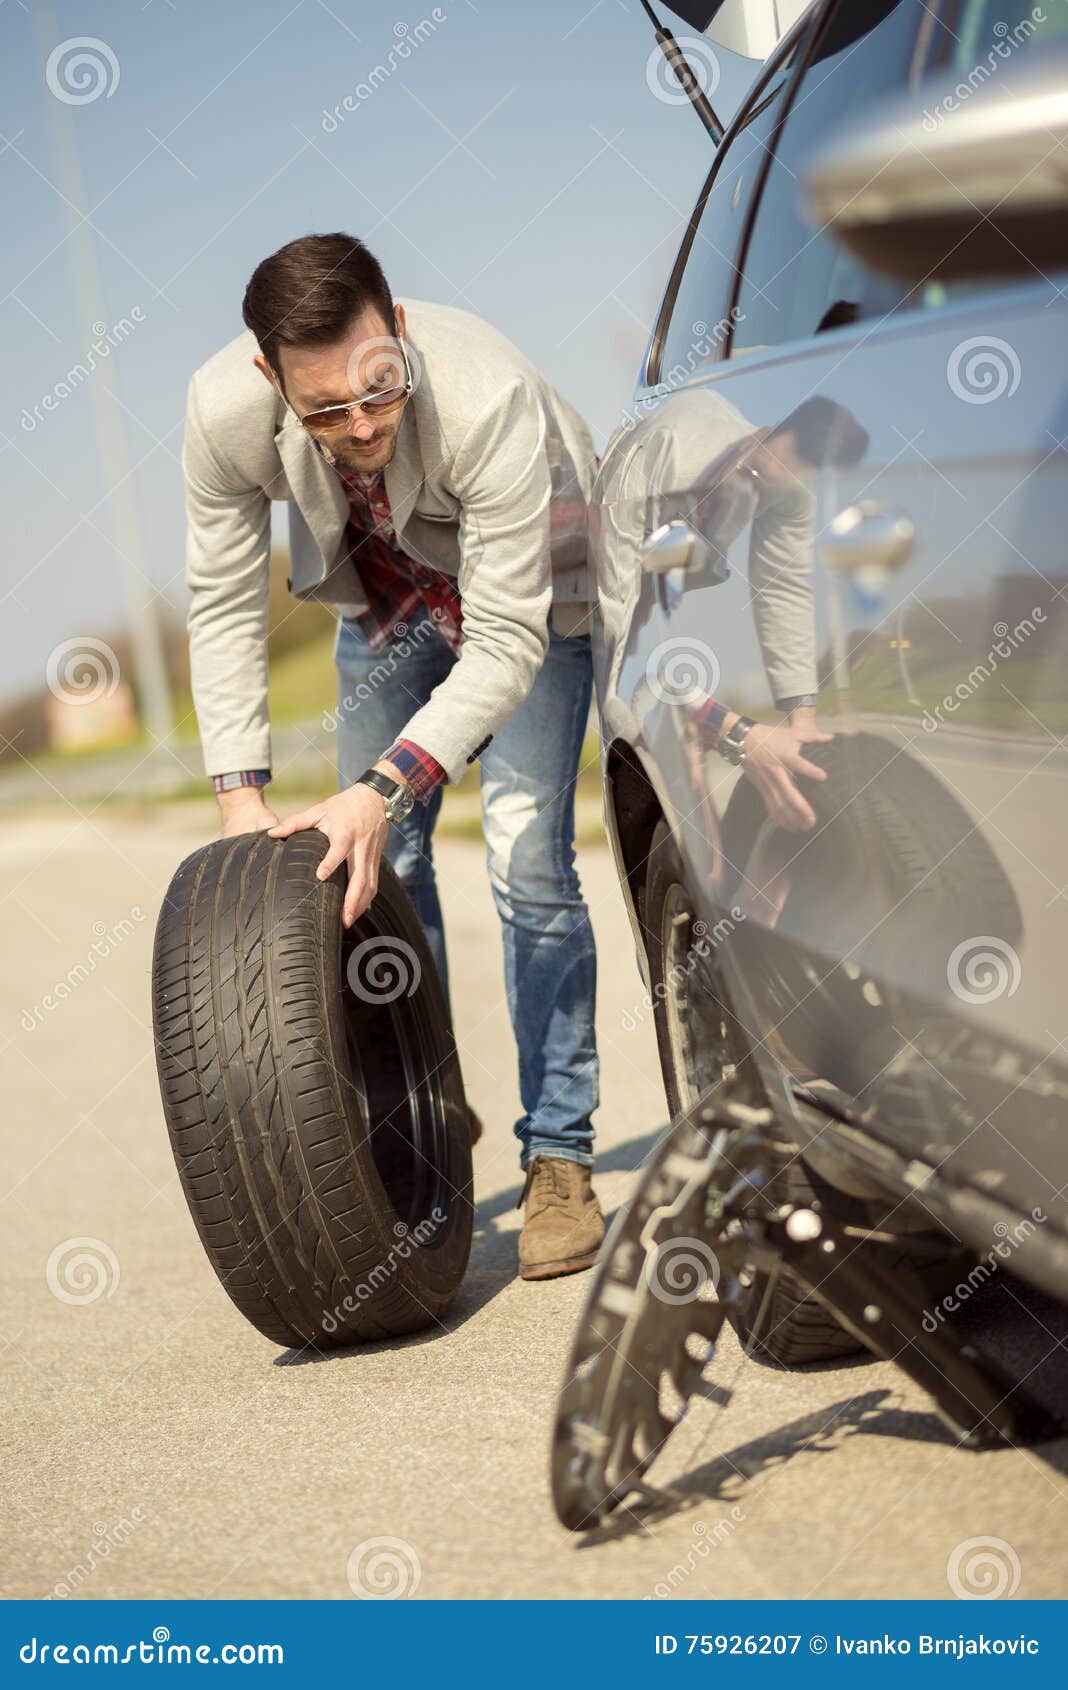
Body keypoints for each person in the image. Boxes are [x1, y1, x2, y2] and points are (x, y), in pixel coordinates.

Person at [183, 232, 604, 1280]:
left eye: (380, 389)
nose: (363, 424)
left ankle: (559, 1155)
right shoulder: (221, 416)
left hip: (535, 602)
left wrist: (383, 785)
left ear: (399, 331)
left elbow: (509, 638)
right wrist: (241, 801)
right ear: (269, 380)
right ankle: (428, 1111)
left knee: (525, 858)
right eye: (326, 408)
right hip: (388, 613)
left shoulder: (486, 394)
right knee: (372, 872)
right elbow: (225, 601)